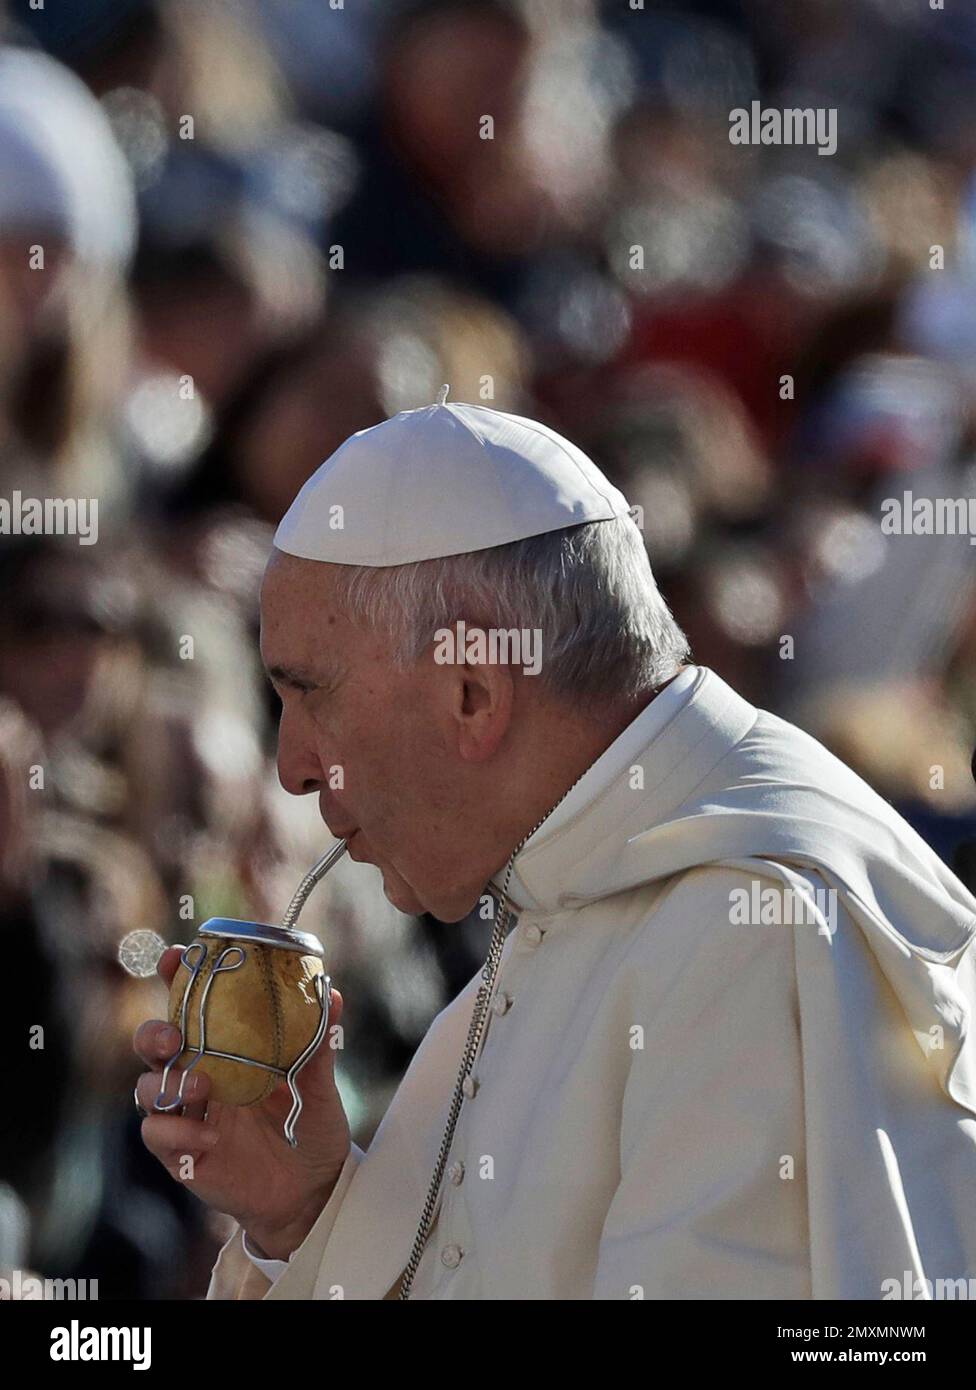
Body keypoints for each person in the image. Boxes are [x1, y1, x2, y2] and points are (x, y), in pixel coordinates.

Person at [134, 396, 976, 1299]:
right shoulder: (574, 870)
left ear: (473, 695)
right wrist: (304, 1217)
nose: (293, 768)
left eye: (311, 696)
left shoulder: (749, 928)